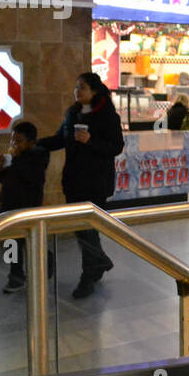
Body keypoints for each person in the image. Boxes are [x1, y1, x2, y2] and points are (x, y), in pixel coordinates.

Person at [39, 73, 125, 298]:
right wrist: (35, 145)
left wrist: (91, 141)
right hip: (74, 179)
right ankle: (99, 261)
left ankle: (88, 275)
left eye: (83, 88)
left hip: (96, 181)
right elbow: (60, 139)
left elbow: (116, 146)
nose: (78, 92)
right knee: (82, 228)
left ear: (95, 91)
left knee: (87, 227)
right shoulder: (72, 113)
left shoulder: (107, 116)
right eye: (76, 87)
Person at [0, 121, 54, 293]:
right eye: (12, 141)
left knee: (31, 241)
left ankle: (47, 260)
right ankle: (15, 276)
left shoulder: (39, 156)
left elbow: (28, 176)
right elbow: (4, 179)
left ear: (31, 143)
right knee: (10, 243)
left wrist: (13, 160)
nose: (13, 145)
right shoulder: (14, 158)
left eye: (18, 141)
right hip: (8, 206)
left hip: (27, 207)